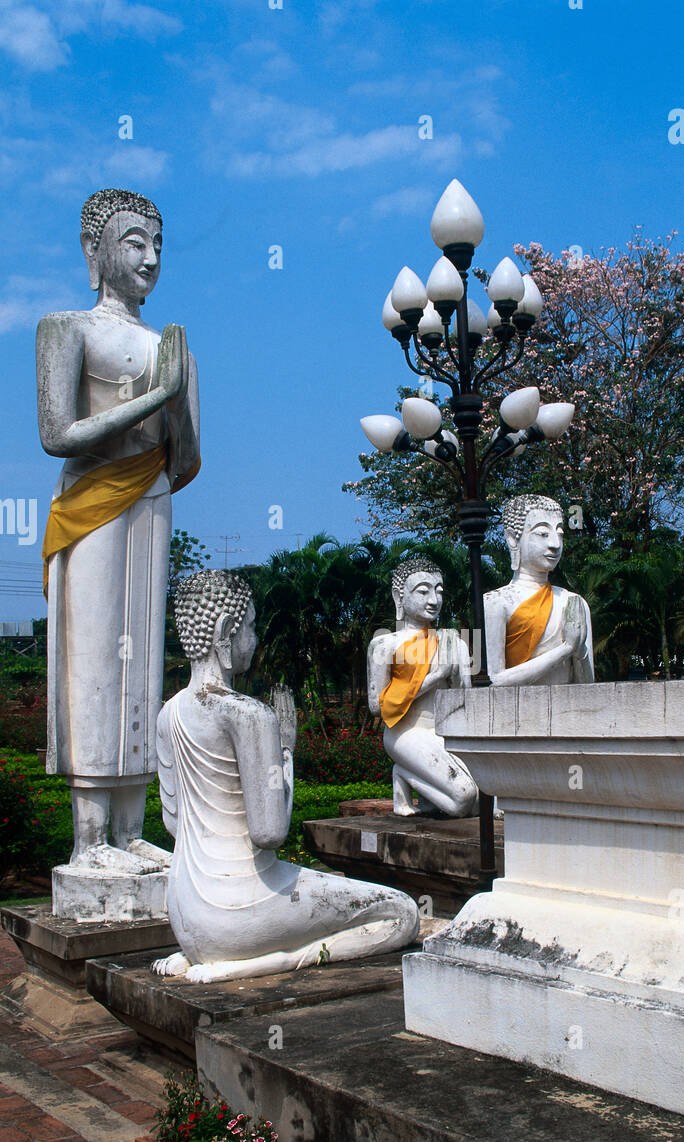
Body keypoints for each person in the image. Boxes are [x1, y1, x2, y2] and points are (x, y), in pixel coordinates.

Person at [37, 187, 200, 865]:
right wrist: (156, 396)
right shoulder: (66, 327)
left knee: (142, 661)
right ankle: (91, 838)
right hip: (93, 503)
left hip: (153, 496)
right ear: (96, 250)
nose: (151, 258)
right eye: (135, 242)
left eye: (158, 244)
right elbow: (57, 434)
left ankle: (133, 832)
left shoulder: (169, 343)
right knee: (98, 655)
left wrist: (182, 393)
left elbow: (187, 457)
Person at [153, 571, 419, 983]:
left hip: (185, 910)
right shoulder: (247, 713)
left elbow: (174, 823)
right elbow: (269, 834)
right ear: (226, 631)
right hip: (240, 910)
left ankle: (208, 956)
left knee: (325, 885)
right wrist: (286, 755)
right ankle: (274, 960)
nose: (256, 640)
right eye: (253, 627)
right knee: (401, 912)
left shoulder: (168, 714)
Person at [367, 556, 478, 817]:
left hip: (444, 732)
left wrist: (455, 676)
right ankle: (403, 771)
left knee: (482, 801)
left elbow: (466, 700)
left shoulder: (453, 642)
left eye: (439, 591)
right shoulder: (385, 644)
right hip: (405, 733)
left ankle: (416, 784)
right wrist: (435, 676)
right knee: (463, 799)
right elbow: (377, 706)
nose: (433, 600)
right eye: (423, 591)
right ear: (399, 596)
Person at [484, 494, 594, 685]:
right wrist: (566, 648)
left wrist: (579, 650)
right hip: (514, 710)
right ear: (512, 539)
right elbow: (495, 679)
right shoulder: (494, 601)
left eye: (559, 533)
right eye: (543, 533)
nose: (555, 544)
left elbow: (586, 684)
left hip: (567, 710)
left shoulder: (574, 602)